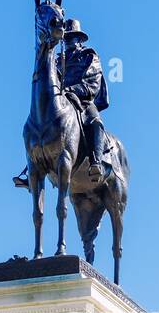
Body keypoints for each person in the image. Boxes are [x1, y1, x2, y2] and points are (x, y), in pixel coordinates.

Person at [14, 18, 112, 187]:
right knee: (40, 126)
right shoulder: (59, 60)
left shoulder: (89, 56)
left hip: (83, 100)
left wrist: (72, 91)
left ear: (80, 39)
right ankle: (32, 170)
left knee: (95, 122)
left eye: (72, 37)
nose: (68, 41)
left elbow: (93, 82)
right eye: (66, 38)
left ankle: (96, 162)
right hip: (62, 101)